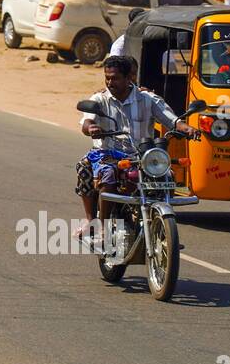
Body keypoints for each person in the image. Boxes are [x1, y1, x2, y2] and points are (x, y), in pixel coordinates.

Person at [76, 56, 196, 239]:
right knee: (104, 173)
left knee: (167, 175)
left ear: (128, 78)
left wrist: (187, 129)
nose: (109, 82)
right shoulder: (100, 99)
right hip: (109, 153)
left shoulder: (147, 99)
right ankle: (100, 225)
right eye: (107, 77)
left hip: (142, 155)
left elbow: (172, 120)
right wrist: (91, 128)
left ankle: (164, 232)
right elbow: (87, 121)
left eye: (115, 78)